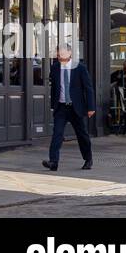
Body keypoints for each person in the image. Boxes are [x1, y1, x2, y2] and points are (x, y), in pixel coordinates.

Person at [44, 43, 95, 172]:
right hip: (61, 107)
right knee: (57, 134)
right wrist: (53, 105)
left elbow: (88, 88)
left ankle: (88, 158)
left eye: (61, 53)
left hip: (75, 107)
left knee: (82, 135)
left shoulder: (80, 68)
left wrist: (91, 107)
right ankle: (53, 162)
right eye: (58, 53)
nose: (59, 55)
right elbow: (55, 87)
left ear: (69, 53)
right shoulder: (54, 68)